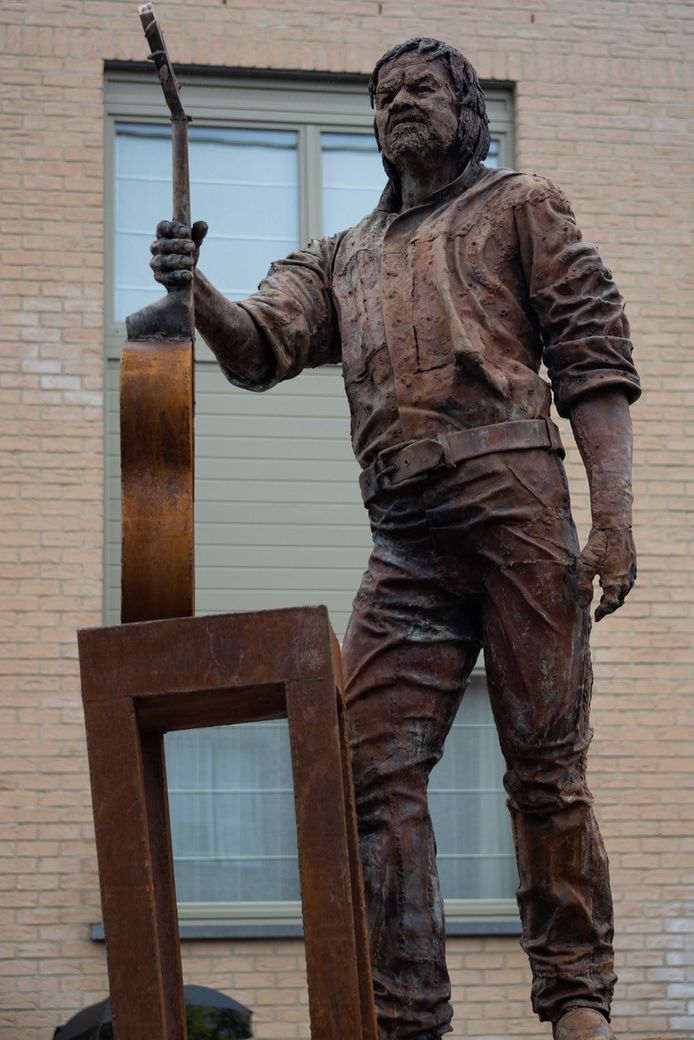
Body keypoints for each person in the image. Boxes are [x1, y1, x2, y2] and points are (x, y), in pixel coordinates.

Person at [150, 37, 640, 1040]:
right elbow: (256, 349)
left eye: (422, 88)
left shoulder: (520, 206)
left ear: (469, 111)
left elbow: (591, 351)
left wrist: (613, 516)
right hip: (404, 535)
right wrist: (194, 291)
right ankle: (408, 1015)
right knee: (371, 769)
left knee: (543, 763)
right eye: (383, 95)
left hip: (512, 503)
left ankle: (577, 999)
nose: (399, 104)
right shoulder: (339, 256)